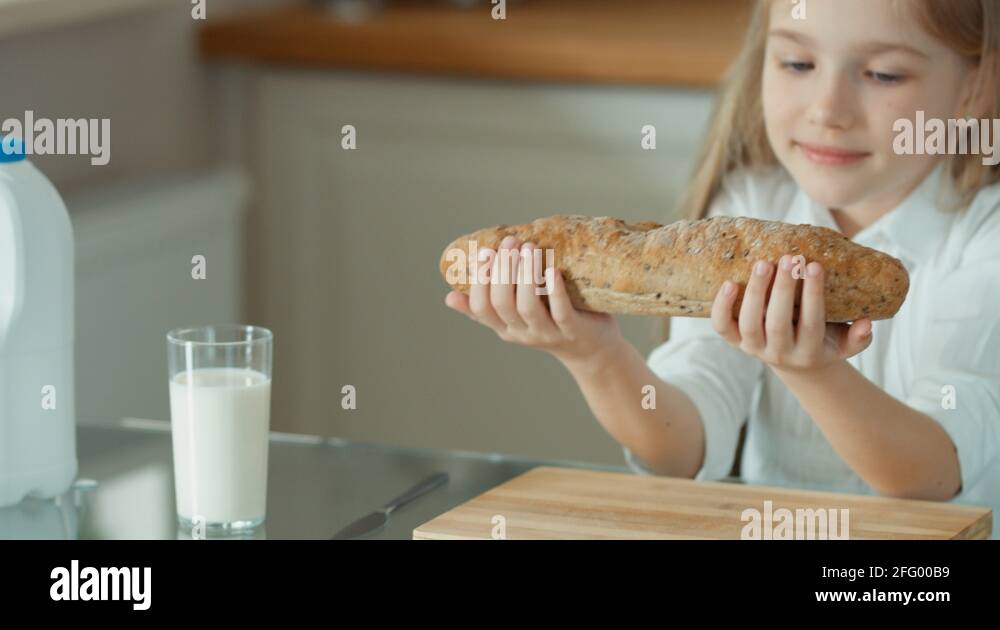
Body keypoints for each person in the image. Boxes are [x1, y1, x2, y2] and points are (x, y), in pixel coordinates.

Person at [444, 0, 1000, 539]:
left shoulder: (984, 239)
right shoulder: (750, 207)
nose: (829, 109)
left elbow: (932, 477)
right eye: (797, 63)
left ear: (977, 86)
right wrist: (592, 354)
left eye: (883, 74)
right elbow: (681, 450)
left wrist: (816, 372)